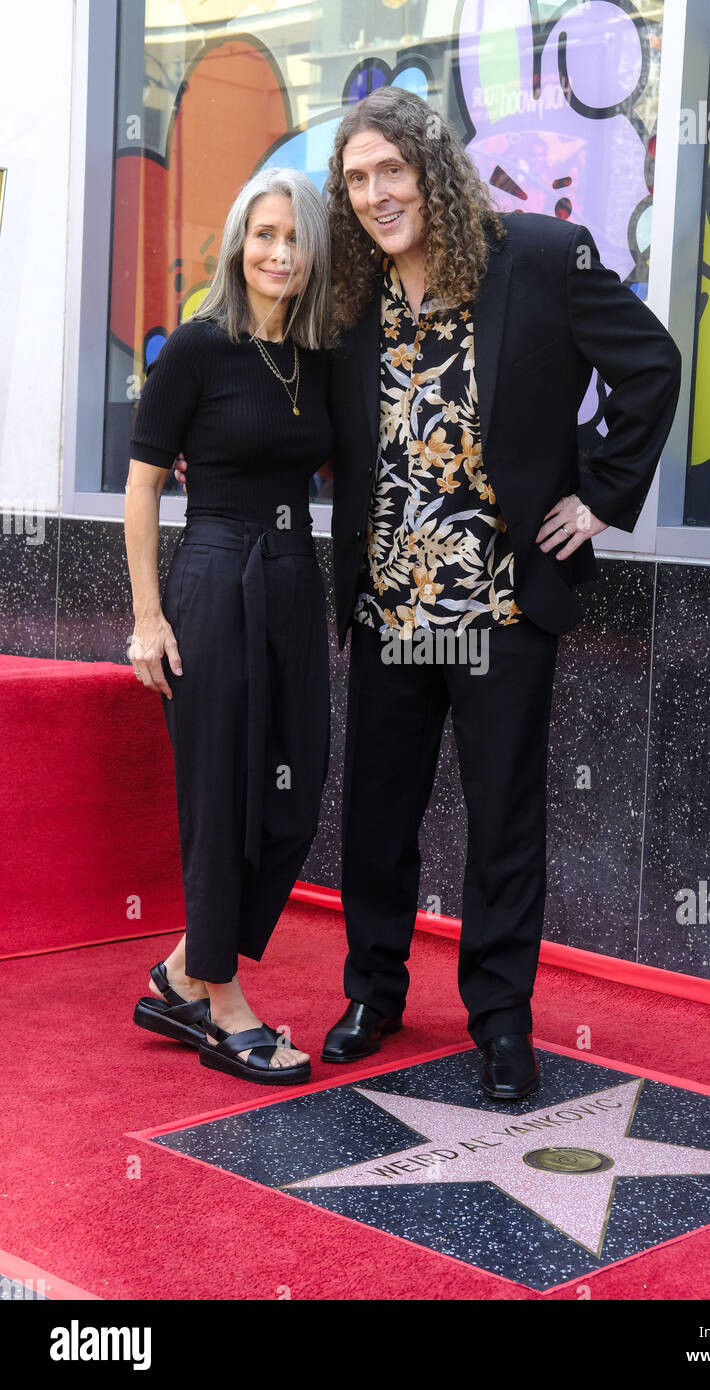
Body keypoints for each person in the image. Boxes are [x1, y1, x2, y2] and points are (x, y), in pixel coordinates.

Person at [318, 88, 682, 1099]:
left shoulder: (535, 255)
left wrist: (601, 497)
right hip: (391, 607)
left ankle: (500, 1019)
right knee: (379, 815)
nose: (377, 193)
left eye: (392, 169)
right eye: (357, 178)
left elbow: (650, 363)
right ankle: (372, 993)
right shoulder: (355, 293)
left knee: (503, 818)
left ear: (432, 165)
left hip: (501, 609)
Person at [125, 167, 334, 1085]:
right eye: (263, 234)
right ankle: (220, 998)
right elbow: (140, 483)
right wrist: (145, 619)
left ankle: (179, 969)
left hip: (294, 580)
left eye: (294, 237)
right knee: (221, 796)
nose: (279, 253)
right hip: (213, 579)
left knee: (297, 785)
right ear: (238, 243)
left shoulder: (320, 355)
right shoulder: (200, 349)